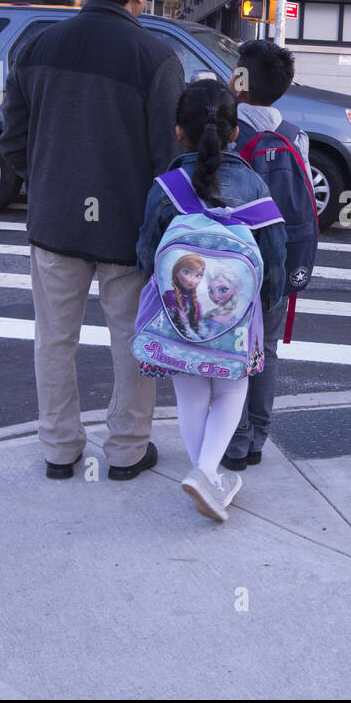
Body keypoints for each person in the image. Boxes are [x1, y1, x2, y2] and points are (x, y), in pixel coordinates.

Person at [0, 0, 184, 481]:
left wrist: (49, 181)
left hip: (54, 224)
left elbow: (12, 141)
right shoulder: (157, 59)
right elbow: (167, 161)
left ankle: (59, 449)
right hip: (128, 231)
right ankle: (127, 449)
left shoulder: (37, 47)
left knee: (53, 339)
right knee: (132, 340)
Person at [136, 79, 286, 522]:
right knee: (231, 391)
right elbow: (275, 261)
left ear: (179, 131)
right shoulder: (256, 186)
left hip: (181, 320)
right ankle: (206, 472)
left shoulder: (166, 187)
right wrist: (267, 308)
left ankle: (206, 472)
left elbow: (146, 255)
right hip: (236, 323)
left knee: (190, 397)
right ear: (235, 132)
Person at [222, 40, 311, 472]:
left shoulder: (228, 129)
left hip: (234, 264)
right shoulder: (296, 136)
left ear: (240, 79)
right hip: (279, 262)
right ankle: (258, 437)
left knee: (234, 350)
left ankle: (234, 443)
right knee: (266, 349)